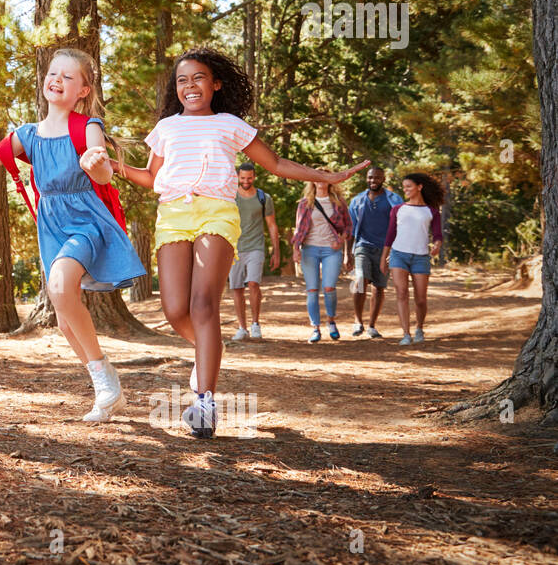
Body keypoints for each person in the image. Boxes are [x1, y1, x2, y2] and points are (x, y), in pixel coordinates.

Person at [108, 48, 367, 438]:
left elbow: (276, 164)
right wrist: (113, 167)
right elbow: (149, 178)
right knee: (175, 309)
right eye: (182, 80)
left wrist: (325, 176)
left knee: (202, 304)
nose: (190, 86)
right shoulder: (165, 129)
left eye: (198, 78)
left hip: (216, 211)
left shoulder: (230, 124)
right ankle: (208, 352)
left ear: (215, 84)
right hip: (173, 214)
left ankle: (205, 403)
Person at [0, 49, 147, 422]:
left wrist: (97, 165)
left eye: (68, 76)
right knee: (63, 317)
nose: (56, 79)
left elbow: (104, 172)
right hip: (52, 226)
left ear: (83, 89)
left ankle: (106, 384)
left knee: (59, 288)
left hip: (86, 220)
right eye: (52, 72)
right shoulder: (27, 135)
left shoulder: (87, 126)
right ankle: (106, 384)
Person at [381, 172, 445, 345]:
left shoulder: (431, 211)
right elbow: (390, 235)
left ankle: (419, 329)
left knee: (421, 298)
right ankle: (406, 334)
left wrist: (437, 245)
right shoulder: (398, 209)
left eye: (409, 186)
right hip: (398, 255)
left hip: (421, 257)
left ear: (419, 187)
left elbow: (438, 234)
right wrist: (383, 257)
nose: (405, 190)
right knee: (401, 293)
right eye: (404, 187)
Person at [290, 180, 352, 343]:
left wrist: (341, 240)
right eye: (317, 177)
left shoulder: (338, 202)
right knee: (312, 290)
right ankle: (315, 328)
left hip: (331, 250)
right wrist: (296, 249)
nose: (321, 181)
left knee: (329, 287)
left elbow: (348, 227)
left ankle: (331, 321)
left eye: (325, 177)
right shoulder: (305, 203)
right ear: (312, 182)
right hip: (309, 249)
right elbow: (298, 229)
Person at [348, 166, 403, 338]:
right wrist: (346, 254)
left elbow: (402, 225)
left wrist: (396, 250)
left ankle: (372, 325)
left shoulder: (394, 200)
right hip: (362, 246)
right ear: (367, 178)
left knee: (379, 287)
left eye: (377, 178)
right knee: (360, 281)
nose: (373, 181)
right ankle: (358, 322)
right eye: (371, 178)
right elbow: (350, 229)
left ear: (383, 179)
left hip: (385, 249)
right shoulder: (357, 200)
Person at [227, 162, 280, 341]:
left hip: (256, 247)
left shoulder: (263, 198)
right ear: (238, 177)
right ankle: (242, 327)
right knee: (236, 288)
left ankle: (255, 324)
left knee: (253, 284)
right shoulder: (230, 197)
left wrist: (276, 251)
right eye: (243, 178)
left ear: (254, 177)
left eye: (249, 178)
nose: (246, 181)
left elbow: (272, 226)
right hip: (234, 249)